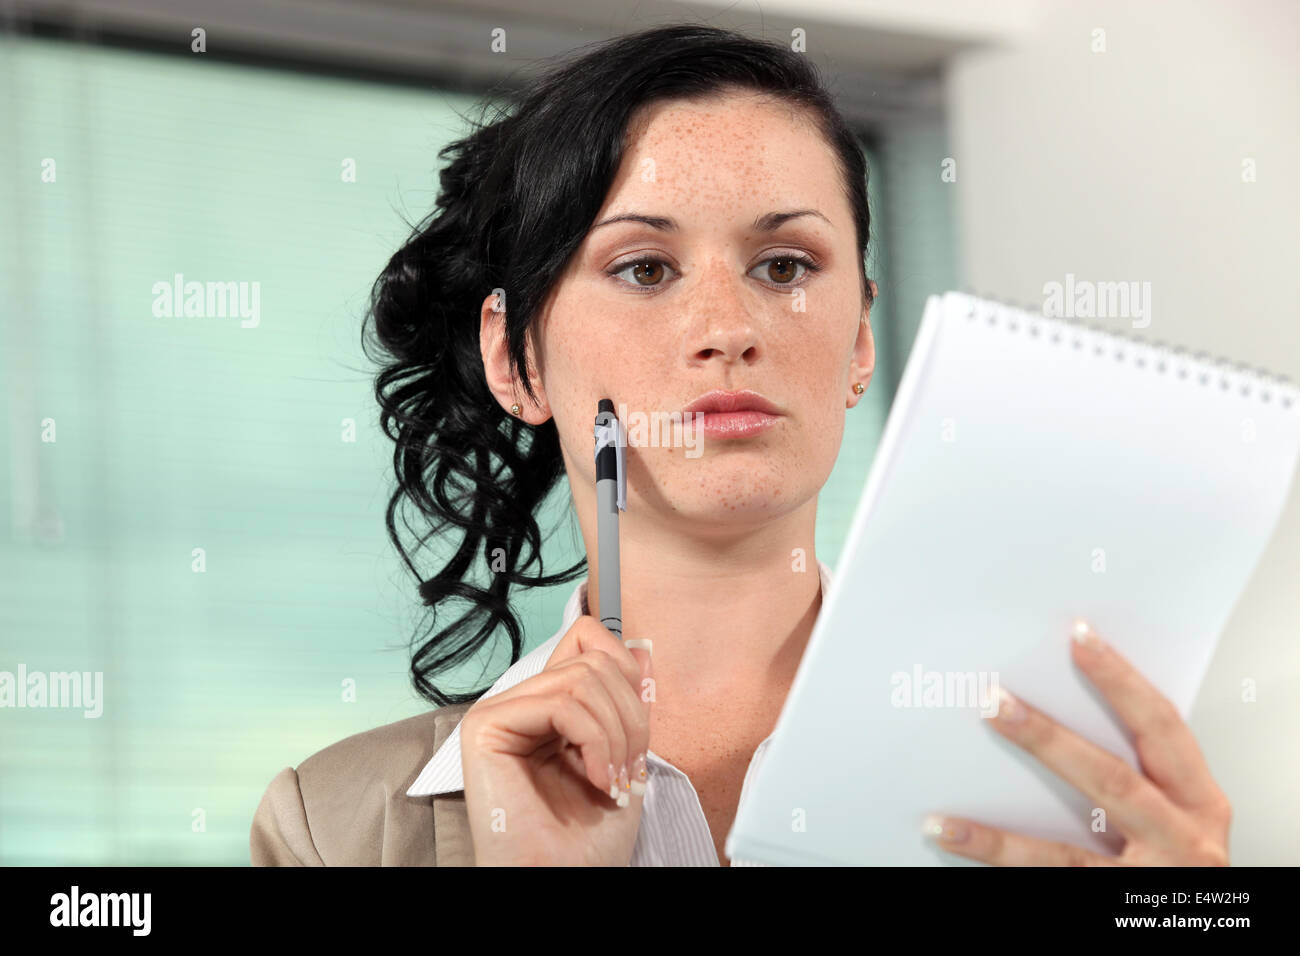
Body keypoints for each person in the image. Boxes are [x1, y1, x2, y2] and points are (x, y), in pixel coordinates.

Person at [250, 23, 1231, 867]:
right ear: (516, 359)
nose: (726, 326)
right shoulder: (334, 829)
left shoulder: (1062, 786)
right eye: (642, 267)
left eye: (782, 263)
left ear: (858, 341)